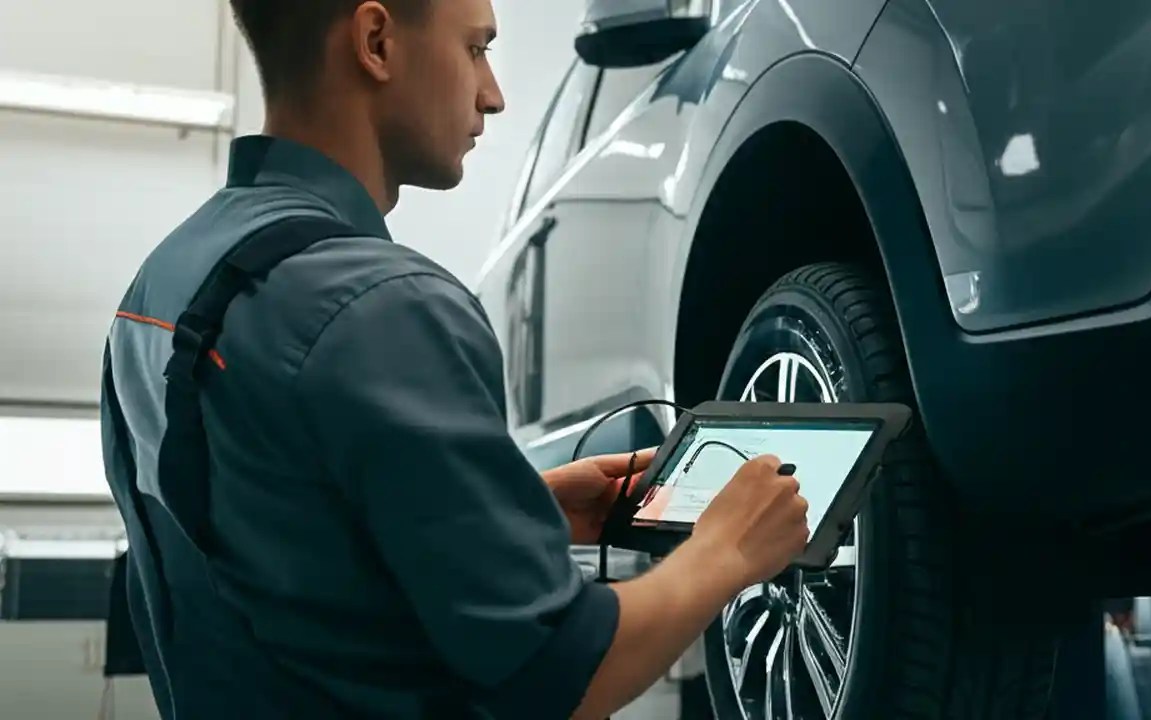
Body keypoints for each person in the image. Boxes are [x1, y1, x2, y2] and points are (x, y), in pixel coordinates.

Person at [98, 1, 811, 718]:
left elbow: (274, 537)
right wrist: (727, 551)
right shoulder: (385, 305)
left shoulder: (161, 284)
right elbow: (560, 676)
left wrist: (516, 510)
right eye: (475, 49)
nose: (493, 94)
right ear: (376, 41)